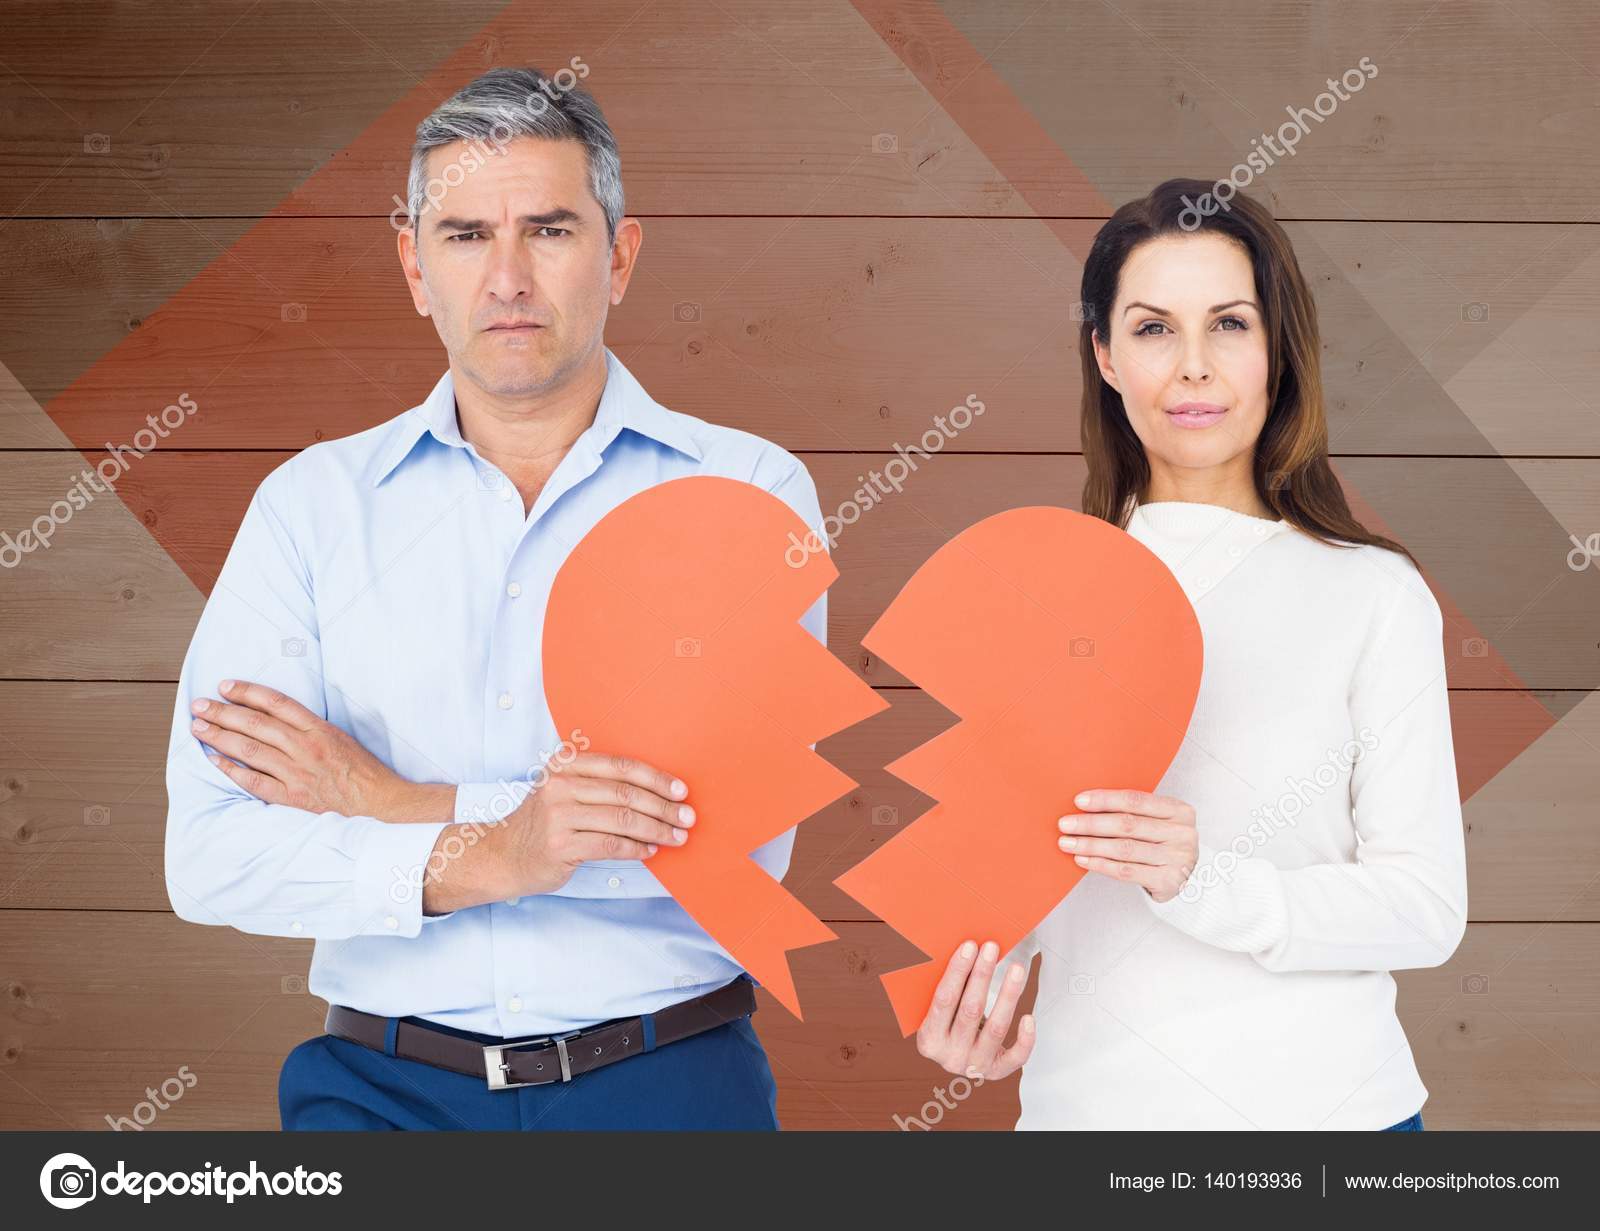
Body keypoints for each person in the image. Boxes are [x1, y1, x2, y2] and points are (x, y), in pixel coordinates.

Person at [163, 66, 825, 1131]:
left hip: (665, 1086)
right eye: (466, 235)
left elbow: (735, 851)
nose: (507, 277)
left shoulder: (746, 490)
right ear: (414, 266)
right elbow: (213, 860)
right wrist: (513, 840)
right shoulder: (310, 508)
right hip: (379, 1094)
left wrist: (385, 799)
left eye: (549, 230)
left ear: (620, 256)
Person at [913, 178, 1468, 1131]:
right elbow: (1012, 887)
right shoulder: (1036, 598)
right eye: (1154, 329)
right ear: (1105, 354)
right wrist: (969, 1002)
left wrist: (1202, 880)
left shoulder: (1374, 594)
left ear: (1278, 350)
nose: (1195, 368)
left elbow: (1424, 907)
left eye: (1231, 324)